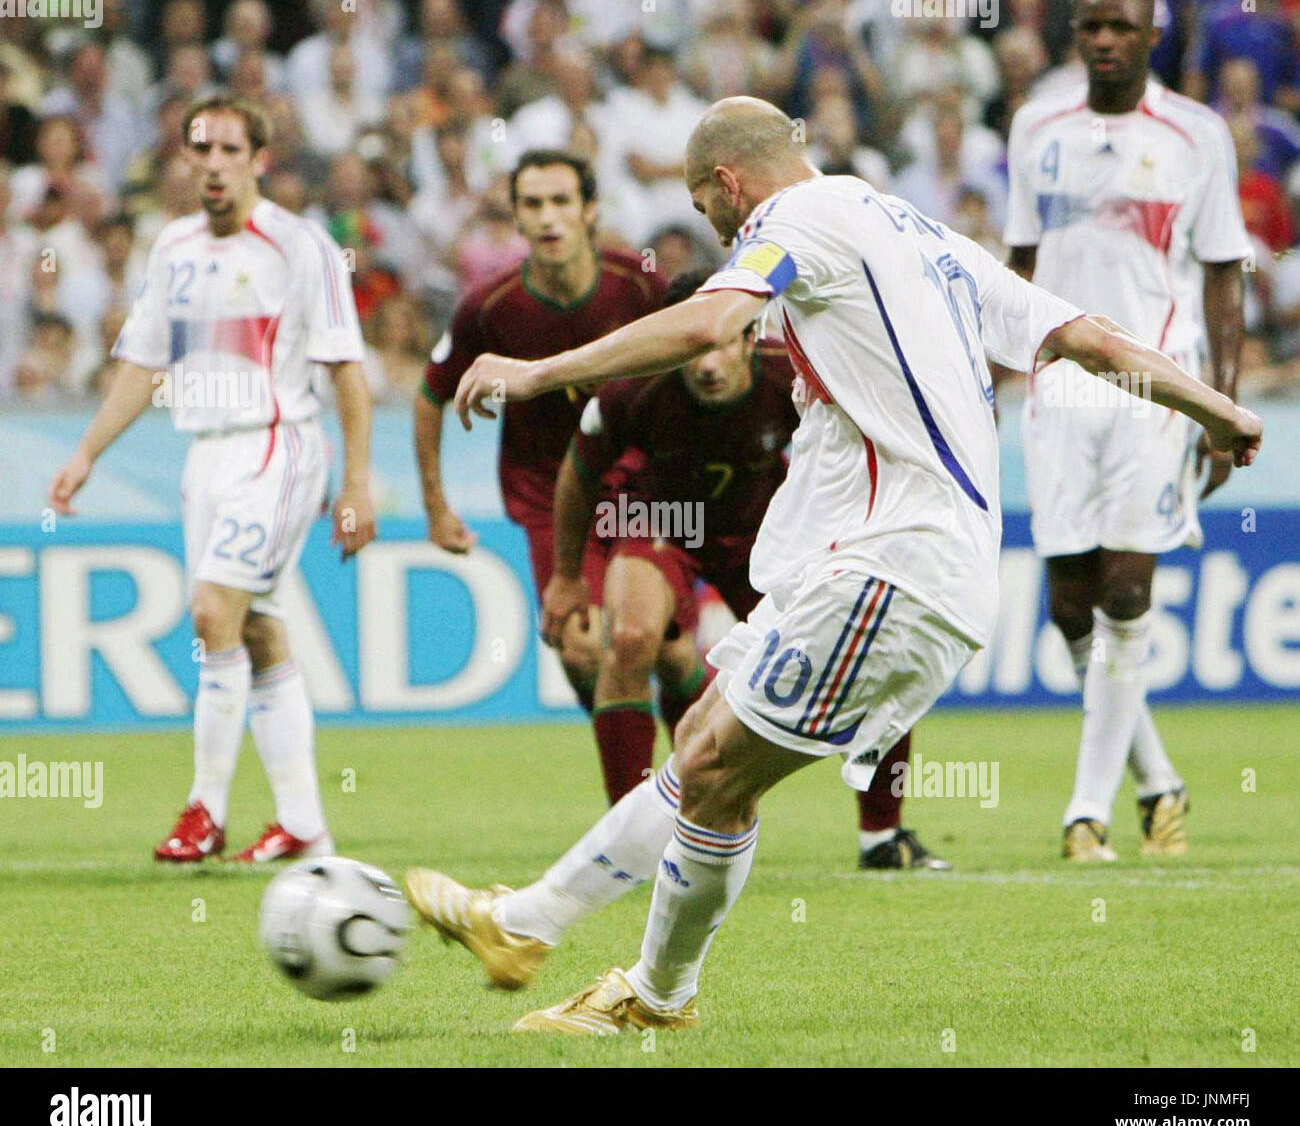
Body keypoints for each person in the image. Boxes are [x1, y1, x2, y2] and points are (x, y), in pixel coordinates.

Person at [404, 95, 1260, 1034]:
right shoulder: (922, 234)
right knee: (701, 742)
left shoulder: (792, 220)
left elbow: (710, 323)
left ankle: (650, 993)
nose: (714, 226)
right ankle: (524, 926)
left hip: (900, 563)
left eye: (704, 206)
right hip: (867, 560)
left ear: (728, 182)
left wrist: (538, 372)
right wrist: (1216, 408)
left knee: (717, 770)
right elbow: (1087, 337)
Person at [46, 95, 377, 863]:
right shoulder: (173, 246)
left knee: (210, 609)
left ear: (259, 159)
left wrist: (358, 483)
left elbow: (347, 370)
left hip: (278, 445)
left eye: (232, 149)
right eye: (203, 149)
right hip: (206, 455)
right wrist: (86, 452)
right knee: (255, 625)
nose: (216, 164)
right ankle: (304, 822)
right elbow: (143, 363)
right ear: (187, 158)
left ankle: (206, 808)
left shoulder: (301, 246)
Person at [553, 265, 948, 868]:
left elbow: (867, 445)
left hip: (765, 535)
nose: (708, 365)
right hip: (661, 523)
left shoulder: (795, 374)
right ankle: (629, 846)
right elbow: (579, 478)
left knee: (871, 654)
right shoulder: (633, 389)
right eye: (694, 348)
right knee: (629, 640)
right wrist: (566, 577)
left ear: (749, 336)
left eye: (722, 345)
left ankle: (881, 836)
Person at [1001, 0, 1253, 861]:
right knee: (1070, 604)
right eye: (1091, 26)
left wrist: (1219, 403)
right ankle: (1159, 782)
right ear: (1074, 36)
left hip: (1157, 385)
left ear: (1153, 37)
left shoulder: (1196, 135)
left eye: (1121, 26)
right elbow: (1019, 263)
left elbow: (1222, 270)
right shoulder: (1036, 127)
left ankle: (1086, 814)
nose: (1104, 39)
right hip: (1061, 388)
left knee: (1125, 591)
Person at [414, 149, 667, 715]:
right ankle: (629, 763)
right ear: (516, 217)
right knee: (579, 648)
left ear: (590, 210)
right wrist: (435, 506)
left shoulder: (640, 285)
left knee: (665, 650)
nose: (548, 217)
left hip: (639, 490)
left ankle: (687, 760)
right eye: (532, 204)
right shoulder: (489, 307)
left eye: (561, 201)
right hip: (547, 495)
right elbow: (431, 395)